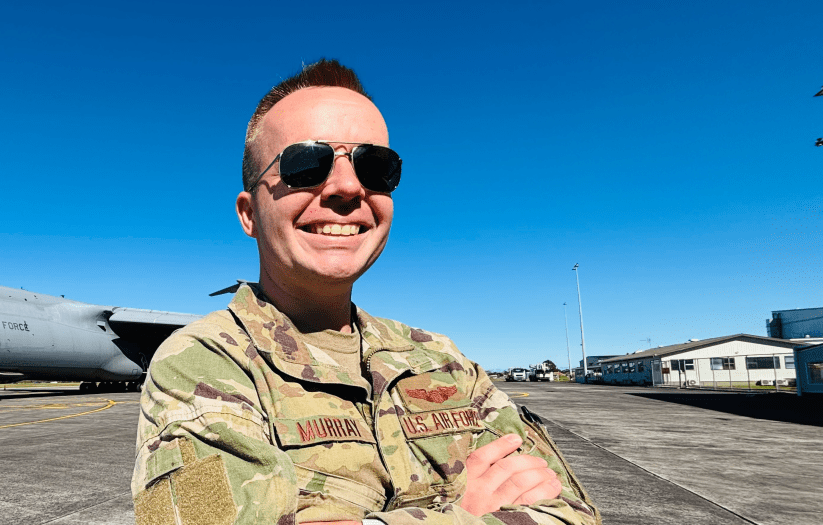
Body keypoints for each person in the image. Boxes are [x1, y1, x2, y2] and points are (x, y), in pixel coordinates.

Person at [132, 59, 600, 525]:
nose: (346, 186)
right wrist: (459, 515)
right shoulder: (201, 363)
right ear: (249, 213)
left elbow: (570, 512)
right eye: (305, 163)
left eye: (375, 166)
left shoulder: (442, 361)